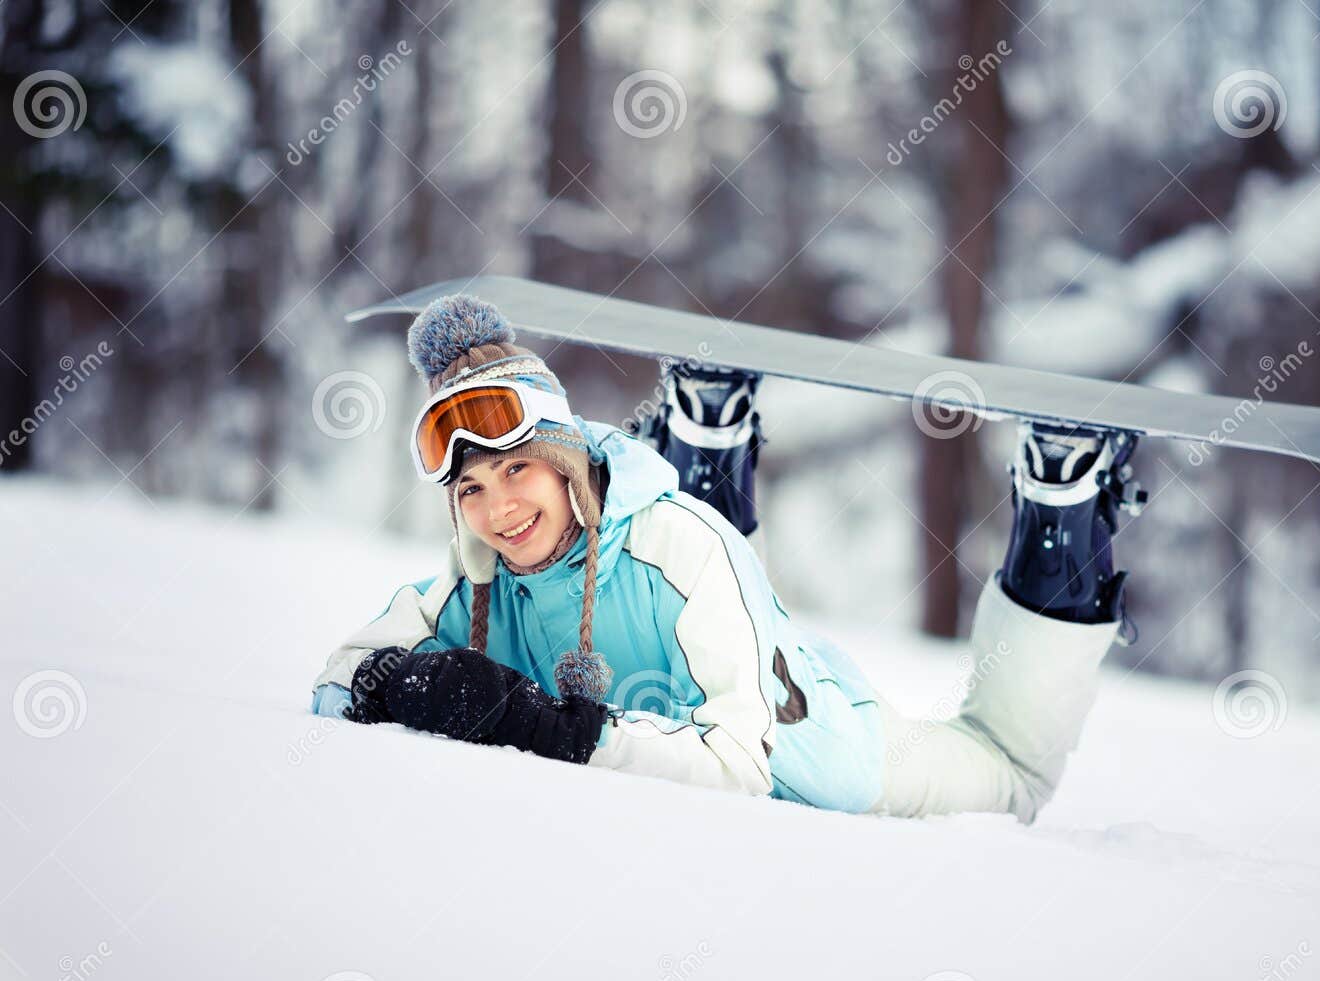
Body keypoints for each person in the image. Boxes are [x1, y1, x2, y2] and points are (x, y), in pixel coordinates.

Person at [310, 294, 1139, 822]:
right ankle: (708, 433)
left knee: (1011, 775)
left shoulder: (681, 546)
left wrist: (550, 727)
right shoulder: (479, 578)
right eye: (471, 489)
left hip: (834, 760)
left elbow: (738, 767)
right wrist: (410, 684)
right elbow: (337, 679)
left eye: (517, 469)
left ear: (564, 458)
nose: (499, 511)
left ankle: (1062, 508)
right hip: (740, 659)